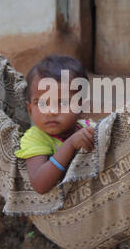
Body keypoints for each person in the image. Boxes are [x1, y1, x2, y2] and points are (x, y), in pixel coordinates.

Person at [15, 55, 97, 194]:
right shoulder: (35, 137)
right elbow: (40, 184)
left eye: (62, 103)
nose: (51, 111)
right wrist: (70, 144)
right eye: (41, 103)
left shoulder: (88, 128)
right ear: (30, 110)